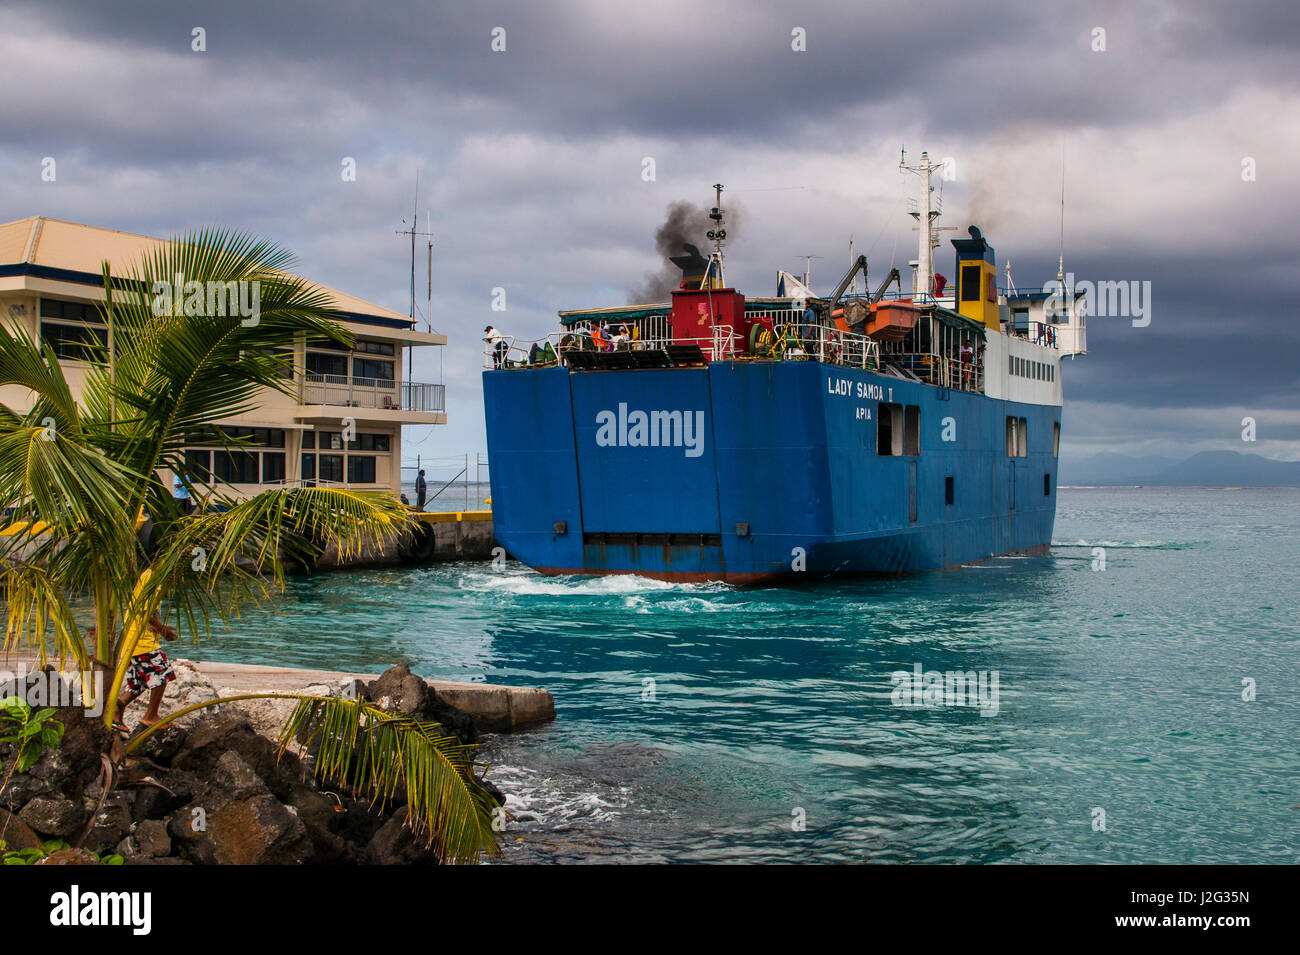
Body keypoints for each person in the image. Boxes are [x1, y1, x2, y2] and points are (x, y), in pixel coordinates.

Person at [113, 614, 178, 735]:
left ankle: (117, 708)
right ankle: (151, 716)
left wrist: (155, 628)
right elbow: (145, 611)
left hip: (132, 644)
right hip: (142, 645)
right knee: (162, 673)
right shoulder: (147, 594)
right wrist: (163, 630)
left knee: (139, 683)